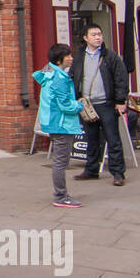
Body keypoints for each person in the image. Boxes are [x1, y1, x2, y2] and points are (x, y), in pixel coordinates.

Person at [69, 24, 130, 186]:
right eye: (94, 34)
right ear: (85, 38)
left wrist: (120, 100)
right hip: (87, 104)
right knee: (91, 139)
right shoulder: (80, 56)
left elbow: (121, 78)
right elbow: (73, 76)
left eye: (99, 34)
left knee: (113, 138)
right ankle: (91, 170)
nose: (97, 37)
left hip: (106, 104)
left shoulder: (110, 56)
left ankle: (118, 173)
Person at [33, 44, 86, 208]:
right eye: (68, 56)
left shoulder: (49, 74)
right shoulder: (59, 79)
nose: (71, 58)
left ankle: (61, 195)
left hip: (54, 122)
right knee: (61, 162)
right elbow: (65, 105)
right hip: (62, 124)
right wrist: (80, 105)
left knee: (59, 160)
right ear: (58, 60)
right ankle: (61, 196)